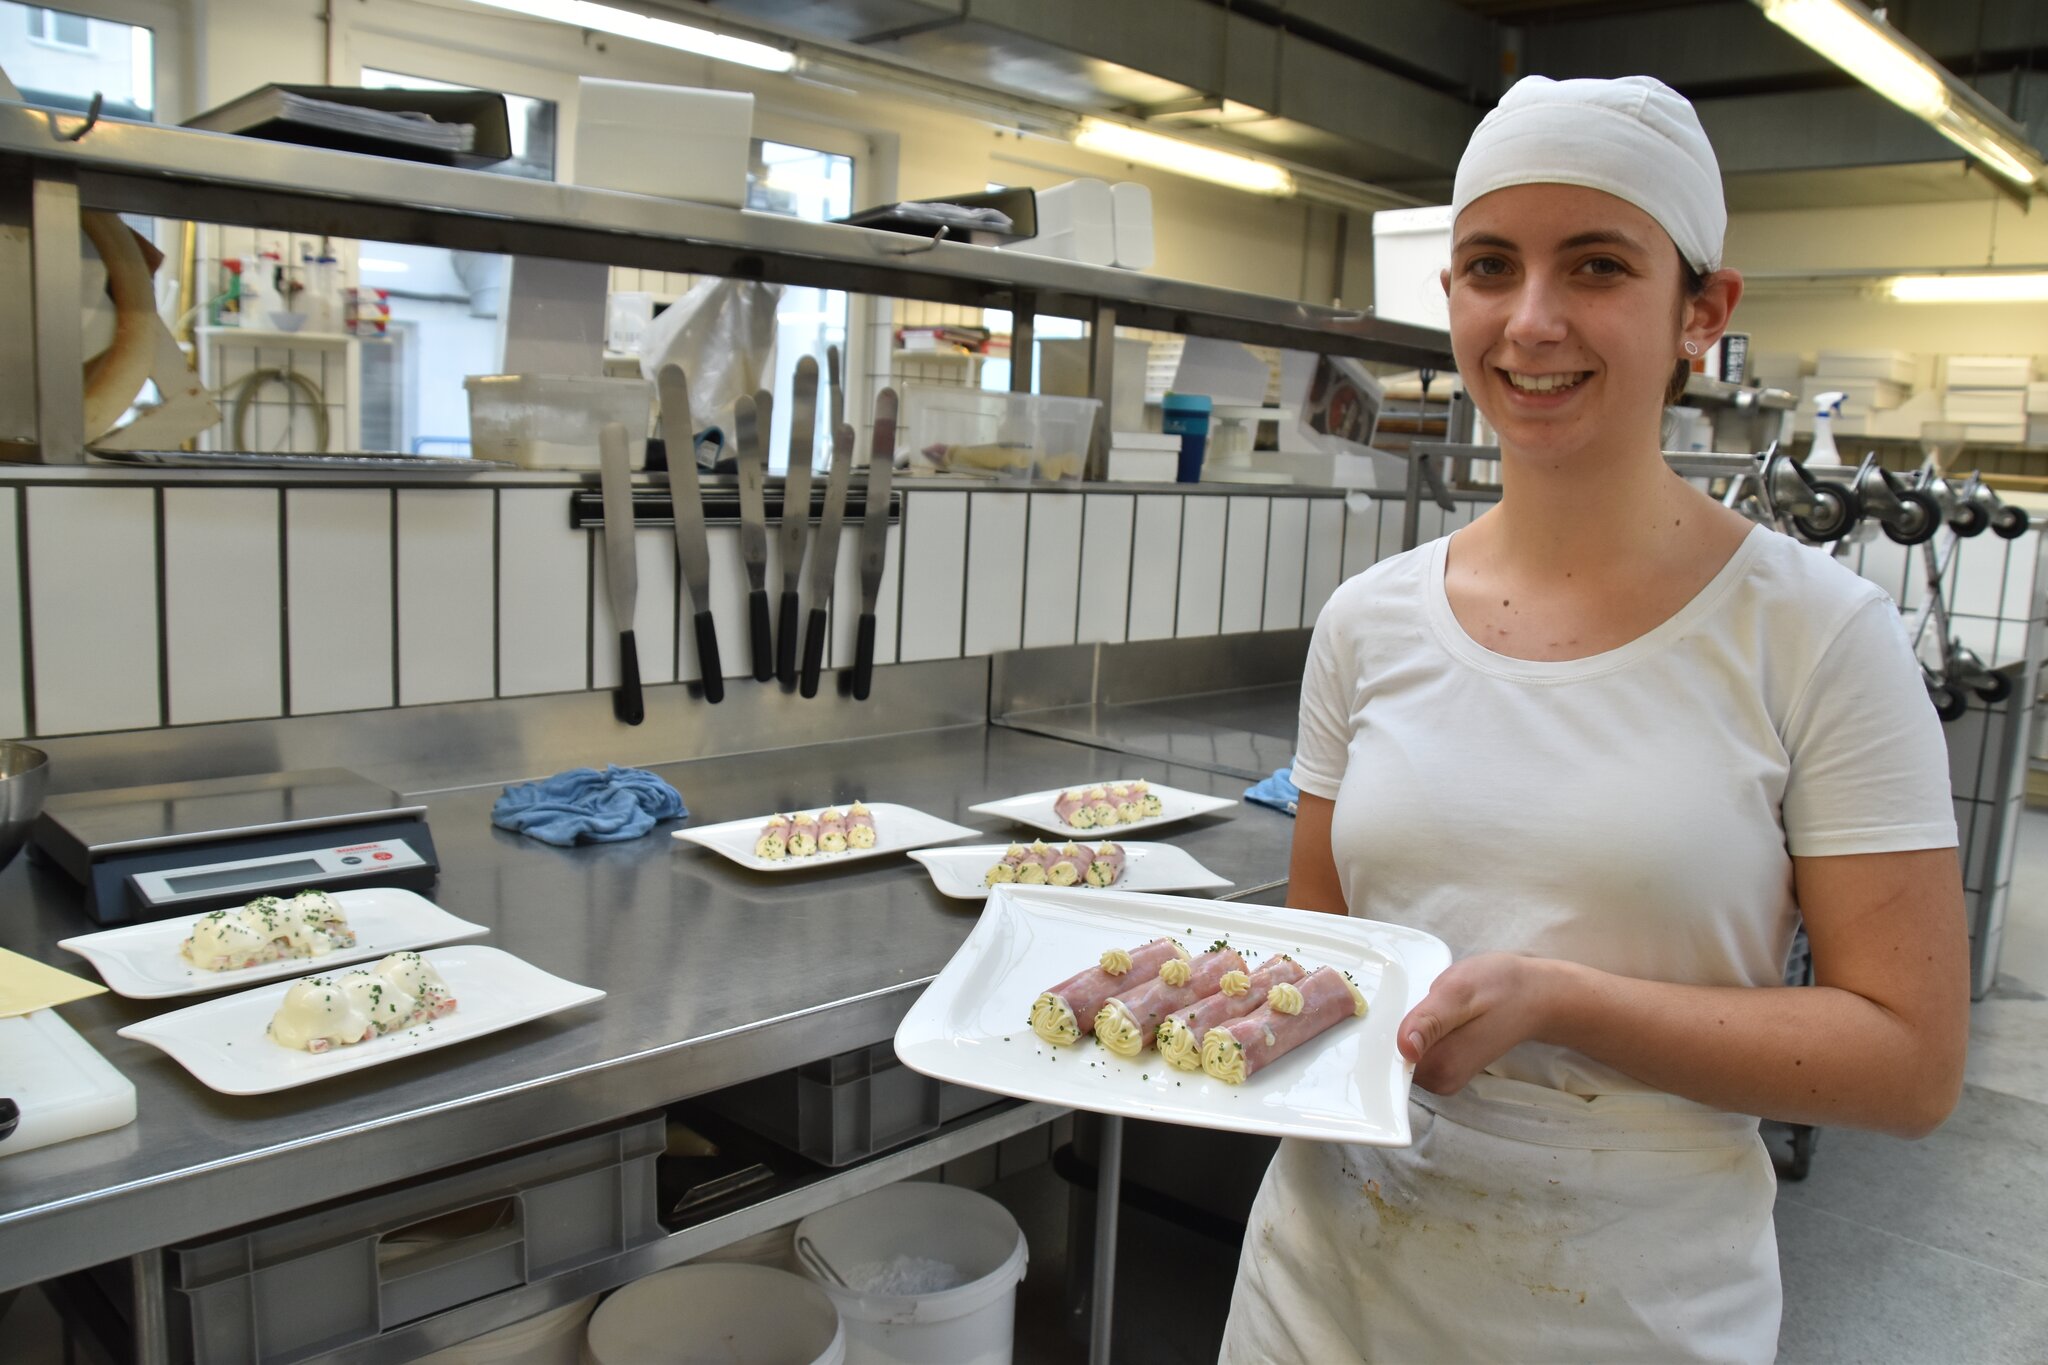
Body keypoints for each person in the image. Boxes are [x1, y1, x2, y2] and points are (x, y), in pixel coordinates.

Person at [1219, 74, 1967, 1364]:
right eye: (1490, 265)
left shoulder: (1818, 636)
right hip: (1321, 1286)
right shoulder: (1368, 621)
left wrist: (1565, 999)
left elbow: (1908, 1062)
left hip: (1623, 1308)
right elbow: (1324, 949)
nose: (1532, 320)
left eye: (1600, 265)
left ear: (1702, 312)